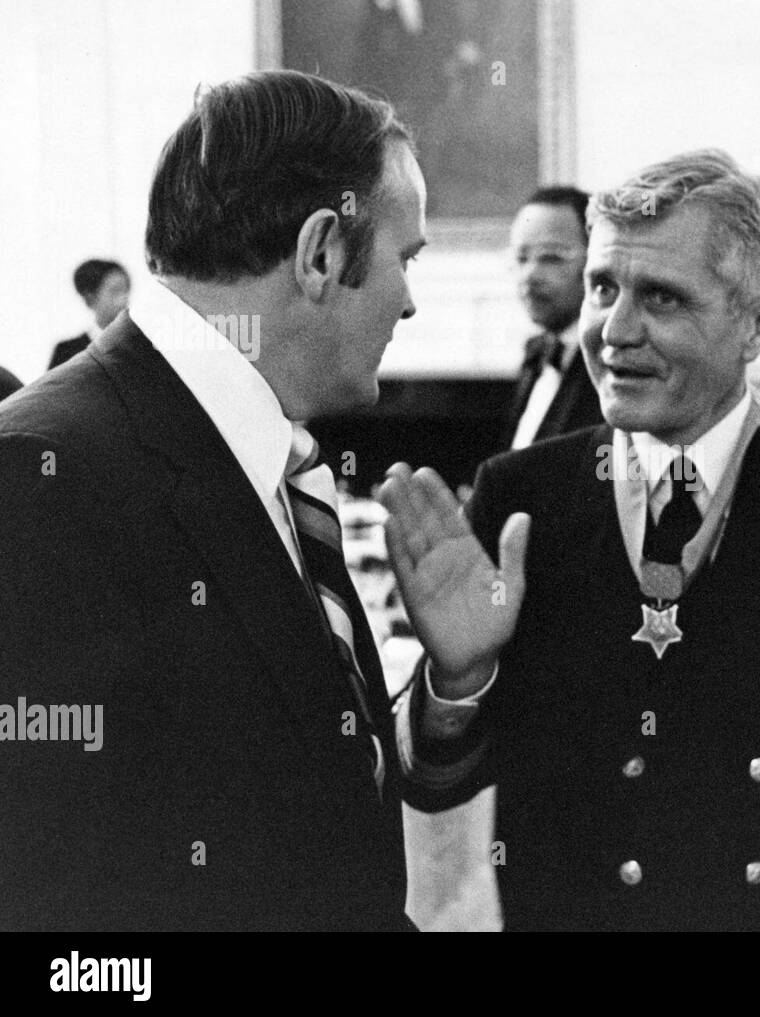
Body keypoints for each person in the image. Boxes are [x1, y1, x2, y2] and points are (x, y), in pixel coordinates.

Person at [381, 149, 760, 931]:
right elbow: (433, 781)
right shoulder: (522, 496)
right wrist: (459, 681)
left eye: (661, 297)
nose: (615, 330)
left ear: (757, 324)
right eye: (602, 288)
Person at [0, 70, 469, 930]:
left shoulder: (258, 449)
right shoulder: (38, 473)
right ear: (321, 252)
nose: (409, 299)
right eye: (407, 258)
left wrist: (453, 682)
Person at [500, 185, 604, 450]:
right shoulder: (537, 352)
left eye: (551, 257)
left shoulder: (610, 363)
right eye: (521, 258)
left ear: (597, 261)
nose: (530, 275)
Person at [49, 259, 131, 369]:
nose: (123, 300)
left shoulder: (137, 345)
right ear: (90, 299)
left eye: (126, 290)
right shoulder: (67, 351)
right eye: (115, 291)